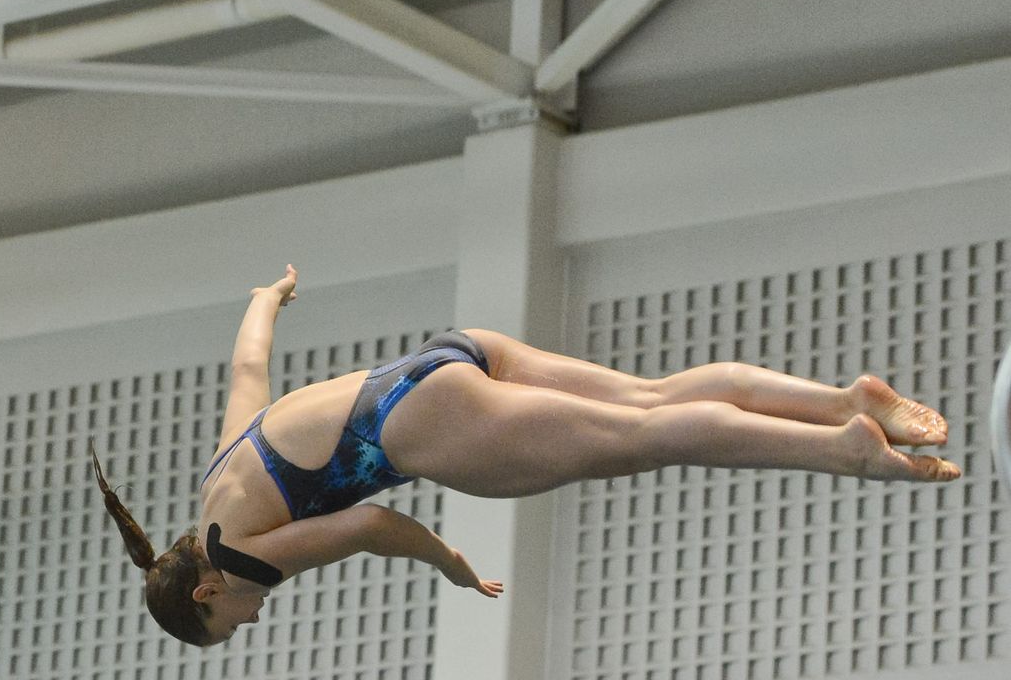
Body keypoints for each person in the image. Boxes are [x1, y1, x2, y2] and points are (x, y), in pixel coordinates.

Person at [92, 265, 959, 648]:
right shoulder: (218, 477)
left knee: (645, 440)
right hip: (448, 355)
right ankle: (840, 402)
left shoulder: (239, 557)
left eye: (228, 625)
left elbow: (370, 525)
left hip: (427, 423)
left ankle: (840, 450)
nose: (248, 620)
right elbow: (248, 365)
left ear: (204, 593)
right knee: (651, 398)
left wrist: (449, 566)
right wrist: (265, 297)